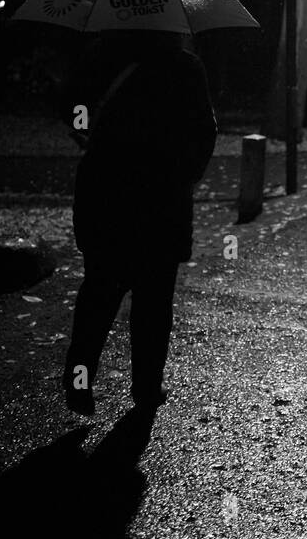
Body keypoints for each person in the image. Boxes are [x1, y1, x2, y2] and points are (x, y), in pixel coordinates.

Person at [60, 29, 217, 414]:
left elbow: (71, 107)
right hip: (161, 200)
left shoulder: (101, 56)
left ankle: (79, 379)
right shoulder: (184, 66)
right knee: (153, 303)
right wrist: (186, 173)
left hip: (106, 194)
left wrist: (94, 138)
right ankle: (146, 388)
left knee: (98, 295)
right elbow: (205, 130)